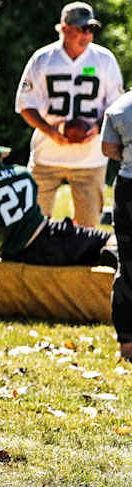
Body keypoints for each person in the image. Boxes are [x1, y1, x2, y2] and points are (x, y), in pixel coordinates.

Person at [14, 1, 123, 228]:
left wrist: (97, 128)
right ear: (64, 28)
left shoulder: (104, 60)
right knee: (31, 228)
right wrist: (51, 131)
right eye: (81, 28)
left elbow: (116, 106)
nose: (87, 34)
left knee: (88, 229)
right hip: (47, 155)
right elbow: (25, 104)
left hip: (90, 158)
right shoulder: (43, 58)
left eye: (91, 29)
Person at [0, 134, 117, 267]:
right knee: (102, 238)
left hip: (17, 248)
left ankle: (115, 257)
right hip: (42, 238)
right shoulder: (22, 172)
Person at [100, 93, 132, 361]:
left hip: (128, 188)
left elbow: (108, 149)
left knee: (128, 265)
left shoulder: (120, 106)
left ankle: (127, 345)